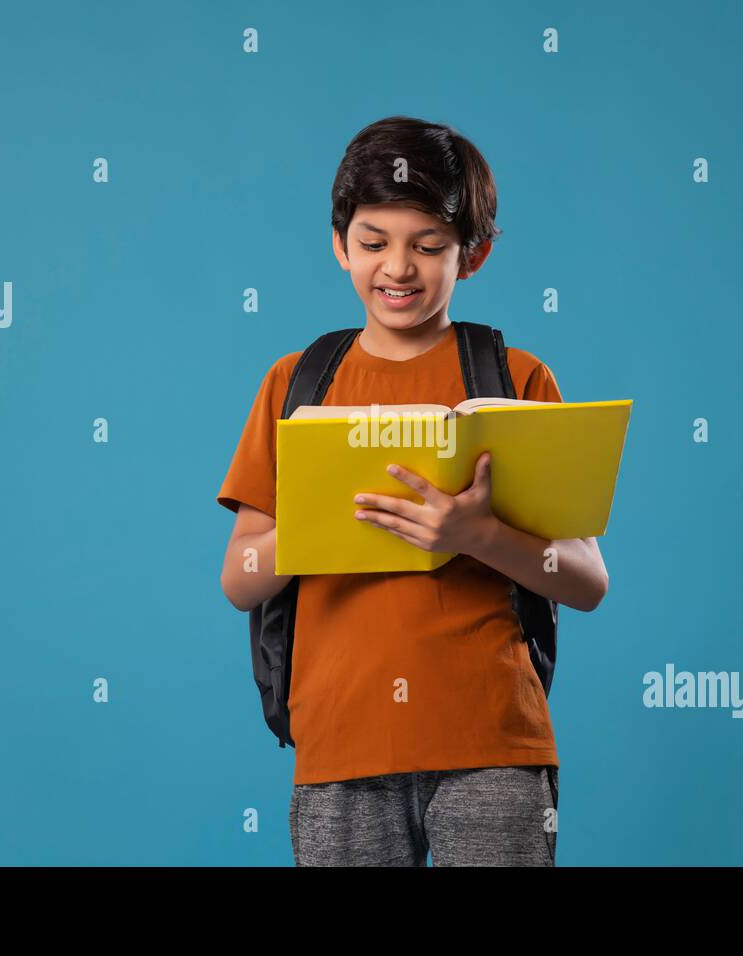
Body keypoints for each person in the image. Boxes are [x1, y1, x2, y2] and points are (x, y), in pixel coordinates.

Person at [217, 116, 609, 865]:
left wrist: (475, 536)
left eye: (429, 246)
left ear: (476, 253)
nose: (398, 267)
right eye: (373, 242)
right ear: (339, 243)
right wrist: (322, 520)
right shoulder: (295, 384)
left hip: (494, 740)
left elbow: (586, 580)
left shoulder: (517, 382)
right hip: (340, 747)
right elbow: (239, 580)